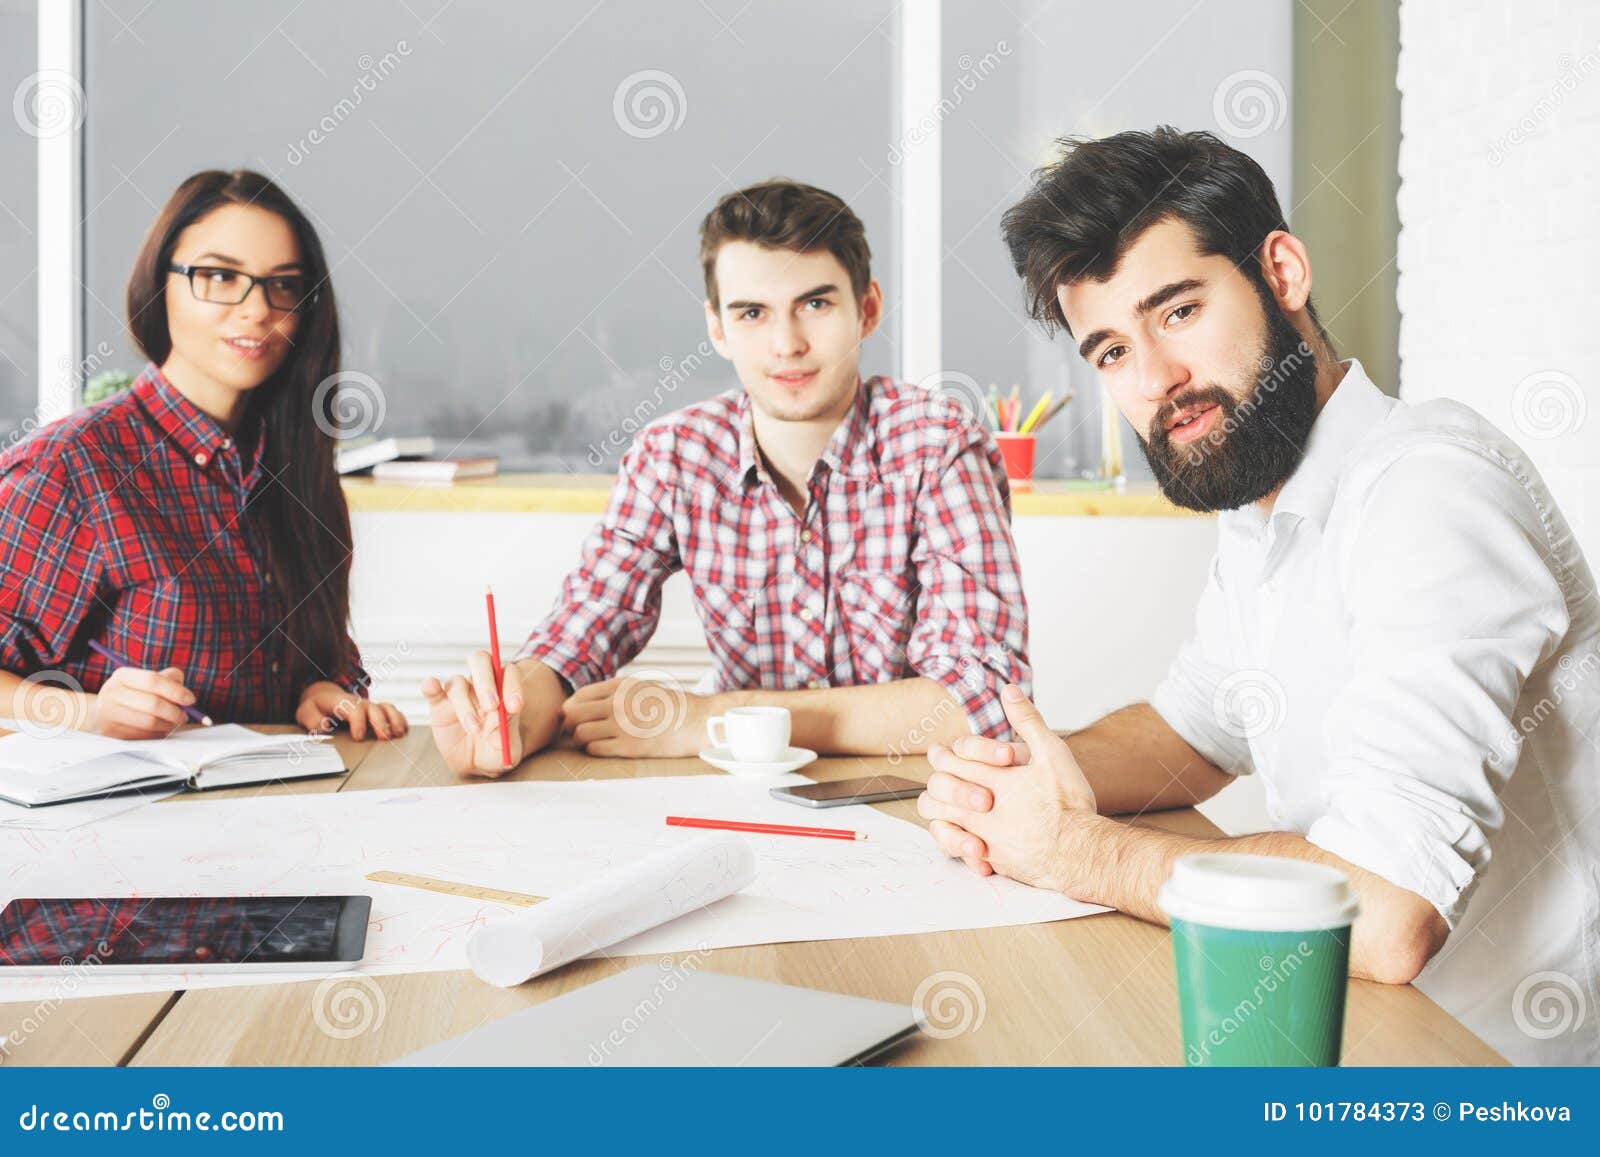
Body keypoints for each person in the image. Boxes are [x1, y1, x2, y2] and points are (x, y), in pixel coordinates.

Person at [918, 127, 1599, 1065]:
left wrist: (1072, 847)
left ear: (1280, 271)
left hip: (1493, 1065)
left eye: (1179, 311)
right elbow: (1192, 735)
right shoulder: (1263, 502)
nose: (1157, 380)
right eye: (1112, 350)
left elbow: (1389, 912)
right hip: (1344, 1030)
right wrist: (1013, 782)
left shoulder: (1431, 492)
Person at [426, 179, 1029, 773]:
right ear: (717, 328)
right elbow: (579, 635)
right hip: (741, 805)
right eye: (752, 313)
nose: (786, 344)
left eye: (815, 304)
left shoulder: (939, 444)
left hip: (914, 803)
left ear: (866, 309)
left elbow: (978, 705)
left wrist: (717, 718)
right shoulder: (674, 455)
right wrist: (512, 718)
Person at [0, 170, 407, 741]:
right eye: (219, 276)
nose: (257, 309)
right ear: (158, 282)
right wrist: (86, 713)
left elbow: (323, 655)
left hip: (287, 809)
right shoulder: (70, 468)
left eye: (283, 285)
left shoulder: (295, 466)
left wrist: (323, 690)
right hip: (120, 819)